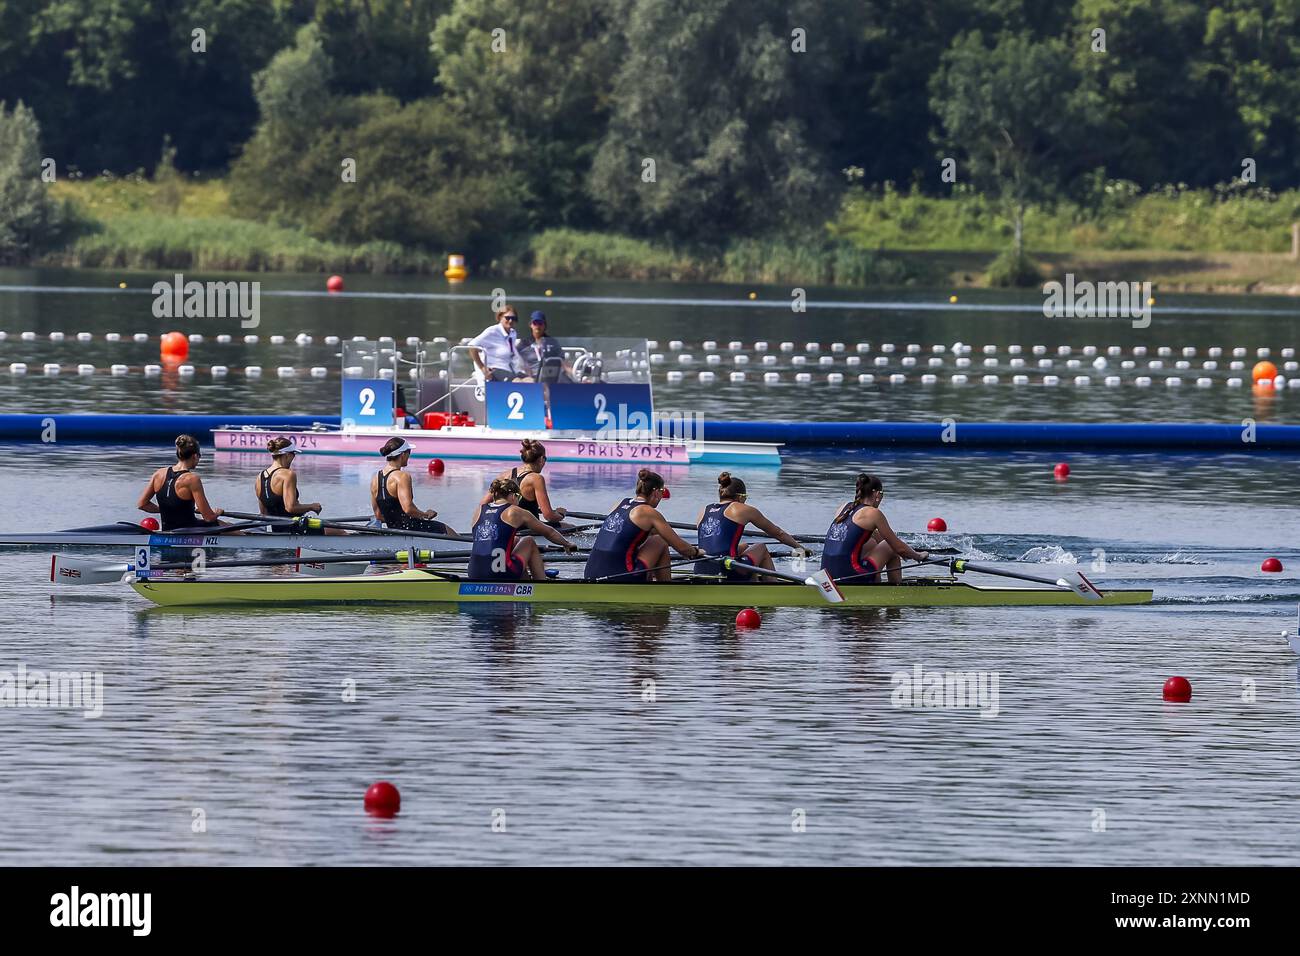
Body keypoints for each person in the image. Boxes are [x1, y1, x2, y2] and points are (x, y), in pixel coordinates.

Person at [584, 468, 704, 582]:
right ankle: (665, 590)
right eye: (662, 492)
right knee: (660, 541)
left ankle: (651, 580)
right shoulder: (648, 512)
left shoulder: (620, 503)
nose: (662, 497)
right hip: (620, 575)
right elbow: (682, 548)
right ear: (656, 492)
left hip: (590, 572)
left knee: (652, 536)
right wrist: (695, 552)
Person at [693, 472, 810, 580]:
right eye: (745, 497)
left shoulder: (703, 510)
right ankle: (773, 588)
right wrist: (800, 548)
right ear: (740, 496)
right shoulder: (741, 509)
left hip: (699, 569)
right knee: (761, 547)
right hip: (727, 571)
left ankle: (753, 582)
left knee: (744, 546)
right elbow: (778, 533)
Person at [821, 473, 929, 585]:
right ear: (878, 494)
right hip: (850, 575)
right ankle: (896, 590)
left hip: (826, 575)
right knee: (889, 546)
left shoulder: (844, 507)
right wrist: (917, 555)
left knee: (871, 543)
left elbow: (863, 536)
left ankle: (875, 582)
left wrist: (906, 550)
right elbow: (898, 548)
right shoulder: (873, 513)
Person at [467, 478, 577, 581]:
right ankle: (541, 585)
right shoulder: (514, 511)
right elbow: (549, 532)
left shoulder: (479, 511)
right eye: (520, 498)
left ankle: (524, 583)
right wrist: (567, 544)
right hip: (500, 573)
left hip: (473, 572)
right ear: (513, 496)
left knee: (515, 540)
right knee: (528, 541)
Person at [137, 434, 226, 531]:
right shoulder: (192, 479)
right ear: (195, 456)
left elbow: (142, 504)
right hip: (190, 532)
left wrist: (167, 510)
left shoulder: (158, 474)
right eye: (199, 456)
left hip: (167, 530)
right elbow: (208, 517)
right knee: (227, 526)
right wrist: (217, 512)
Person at [370, 438, 458, 534]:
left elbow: (378, 515)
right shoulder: (402, 476)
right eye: (409, 452)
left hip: (393, 529)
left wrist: (395, 522)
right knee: (449, 531)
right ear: (403, 454)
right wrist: (426, 514)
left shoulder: (375, 479)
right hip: (410, 528)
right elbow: (408, 509)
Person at [483, 439, 566, 524]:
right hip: (528, 530)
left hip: (505, 528)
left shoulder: (503, 475)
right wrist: (561, 514)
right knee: (571, 527)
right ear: (541, 459)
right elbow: (549, 516)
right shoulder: (536, 478)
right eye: (545, 458)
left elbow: (483, 505)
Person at [468, 307, 524, 382]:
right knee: (517, 382)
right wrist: (482, 368)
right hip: (495, 369)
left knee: (530, 381)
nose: (510, 321)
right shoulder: (492, 331)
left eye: (513, 318)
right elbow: (472, 346)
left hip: (509, 369)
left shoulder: (513, 333)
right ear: (500, 317)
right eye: (507, 318)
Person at [520, 311, 570, 383]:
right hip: (533, 377)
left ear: (544, 325)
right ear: (531, 325)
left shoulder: (552, 342)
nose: (538, 326)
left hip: (553, 377)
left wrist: (572, 373)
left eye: (540, 323)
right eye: (535, 323)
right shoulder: (524, 343)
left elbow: (563, 362)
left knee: (567, 380)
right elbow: (516, 360)